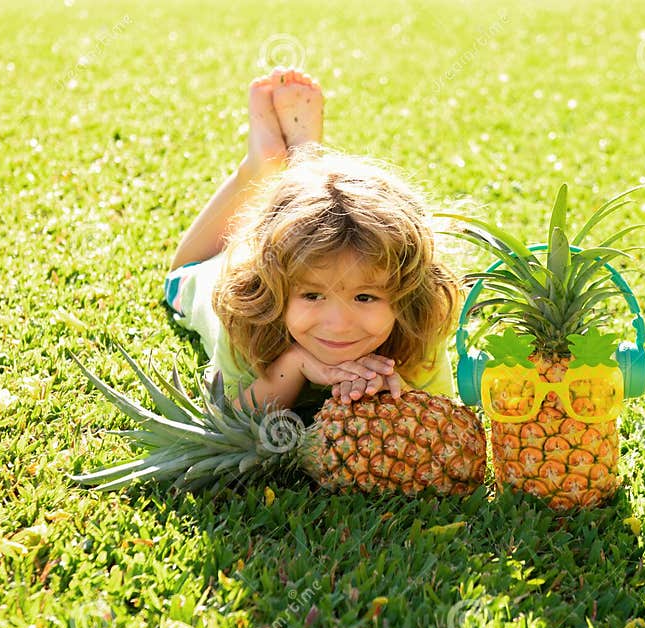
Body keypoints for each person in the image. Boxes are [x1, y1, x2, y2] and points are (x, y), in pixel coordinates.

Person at [164, 67, 460, 416]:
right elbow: (226, 420)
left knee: (305, 225)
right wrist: (294, 364)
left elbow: (445, 416)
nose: (337, 323)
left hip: (297, 250)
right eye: (312, 295)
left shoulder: (418, 321)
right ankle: (262, 166)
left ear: (408, 293)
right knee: (179, 275)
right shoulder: (242, 310)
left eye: (365, 296)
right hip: (219, 269)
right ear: (273, 290)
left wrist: (399, 393)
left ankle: (304, 160)